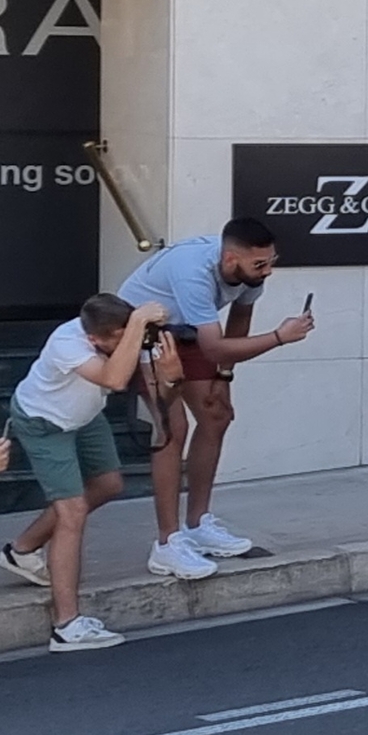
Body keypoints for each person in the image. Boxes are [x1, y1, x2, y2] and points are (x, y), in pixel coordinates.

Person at [115, 218, 315, 580]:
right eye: (260, 264)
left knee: (217, 414)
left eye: (272, 261)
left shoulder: (250, 274)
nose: (268, 270)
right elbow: (215, 344)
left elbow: (238, 322)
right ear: (228, 260)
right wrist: (281, 337)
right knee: (171, 428)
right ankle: (166, 544)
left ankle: (197, 524)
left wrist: (224, 375)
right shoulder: (193, 271)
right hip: (141, 331)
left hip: (186, 330)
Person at [0, 293, 174, 652]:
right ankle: (66, 625)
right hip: (44, 422)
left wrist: (169, 379)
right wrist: (137, 324)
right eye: (122, 339)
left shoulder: (120, 334)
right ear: (95, 340)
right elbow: (114, 379)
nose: (131, 344)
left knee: (109, 485)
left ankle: (21, 550)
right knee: (72, 513)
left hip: (85, 415)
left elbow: (161, 389)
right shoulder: (67, 343)